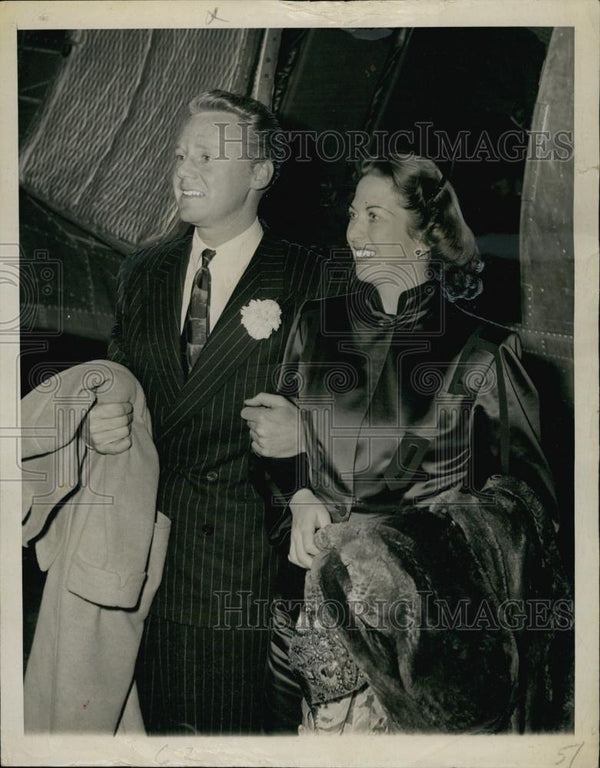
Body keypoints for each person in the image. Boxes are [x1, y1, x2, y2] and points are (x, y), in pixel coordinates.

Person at [243, 154, 572, 733]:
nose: (353, 233)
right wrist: (296, 491)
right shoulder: (316, 326)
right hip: (309, 627)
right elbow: (267, 447)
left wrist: (396, 548)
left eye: (374, 216)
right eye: (352, 215)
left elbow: (528, 513)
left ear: (423, 237)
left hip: (423, 643)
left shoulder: (482, 352)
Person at [87, 89, 344, 734]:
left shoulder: (309, 279)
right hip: (130, 567)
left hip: (237, 583)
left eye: (207, 154)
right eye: (179, 154)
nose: (183, 169)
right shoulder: (142, 270)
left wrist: (307, 434)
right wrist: (97, 423)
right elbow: (119, 381)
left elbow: (365, 424)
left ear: (261, 173)